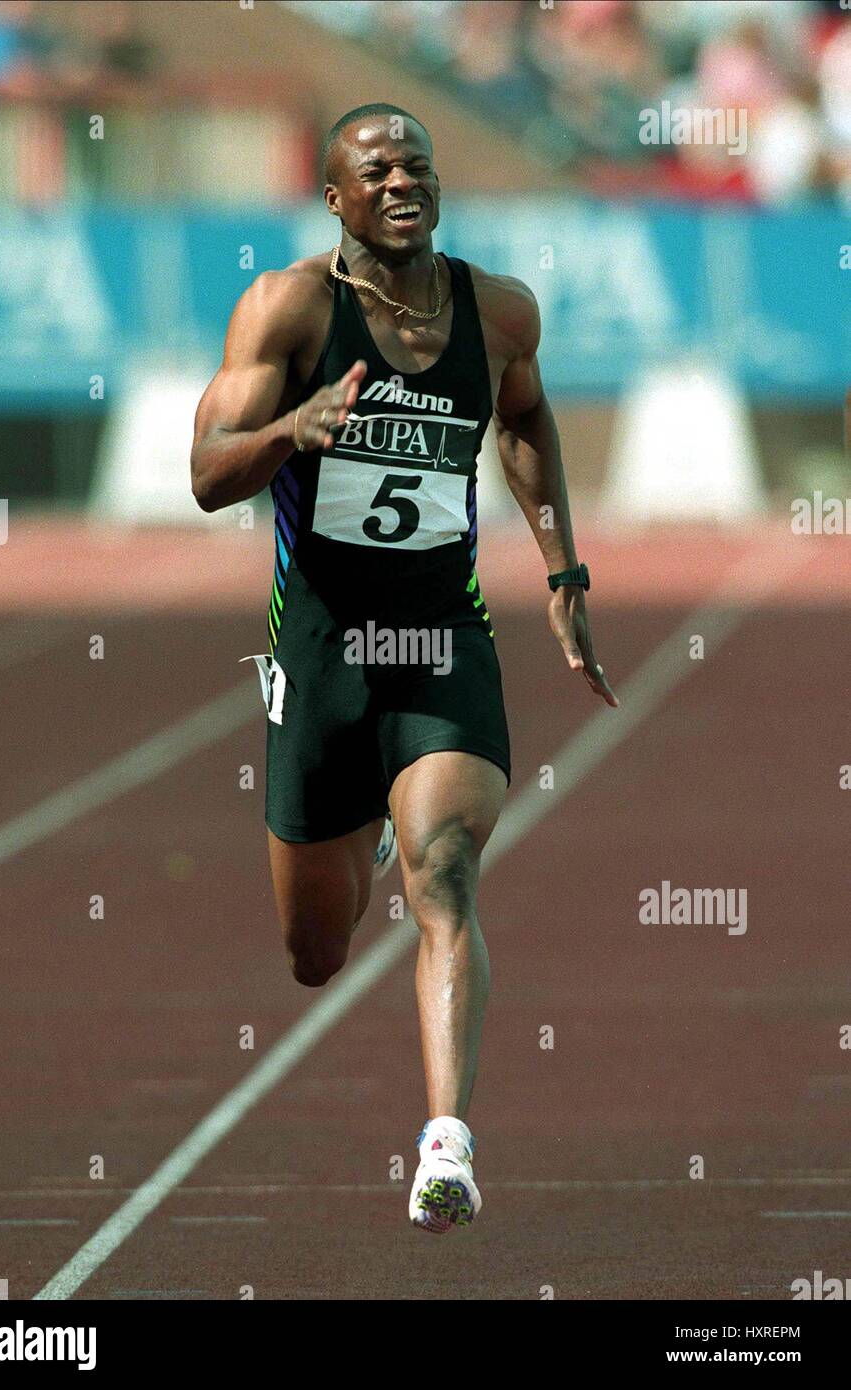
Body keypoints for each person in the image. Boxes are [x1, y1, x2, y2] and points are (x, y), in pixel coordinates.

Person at [191, 103, 616, 1234]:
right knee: (314, 955)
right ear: (334, 197)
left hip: (441, 640)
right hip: (323, 652)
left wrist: (563, 570)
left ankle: (446, 1144)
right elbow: (203, 472)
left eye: (416, 165)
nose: (400, 182)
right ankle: (361, 823)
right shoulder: (287, 308)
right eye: (373, 170)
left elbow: (524, 420)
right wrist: (294, 429)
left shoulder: (497, 311)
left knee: (450, 870)